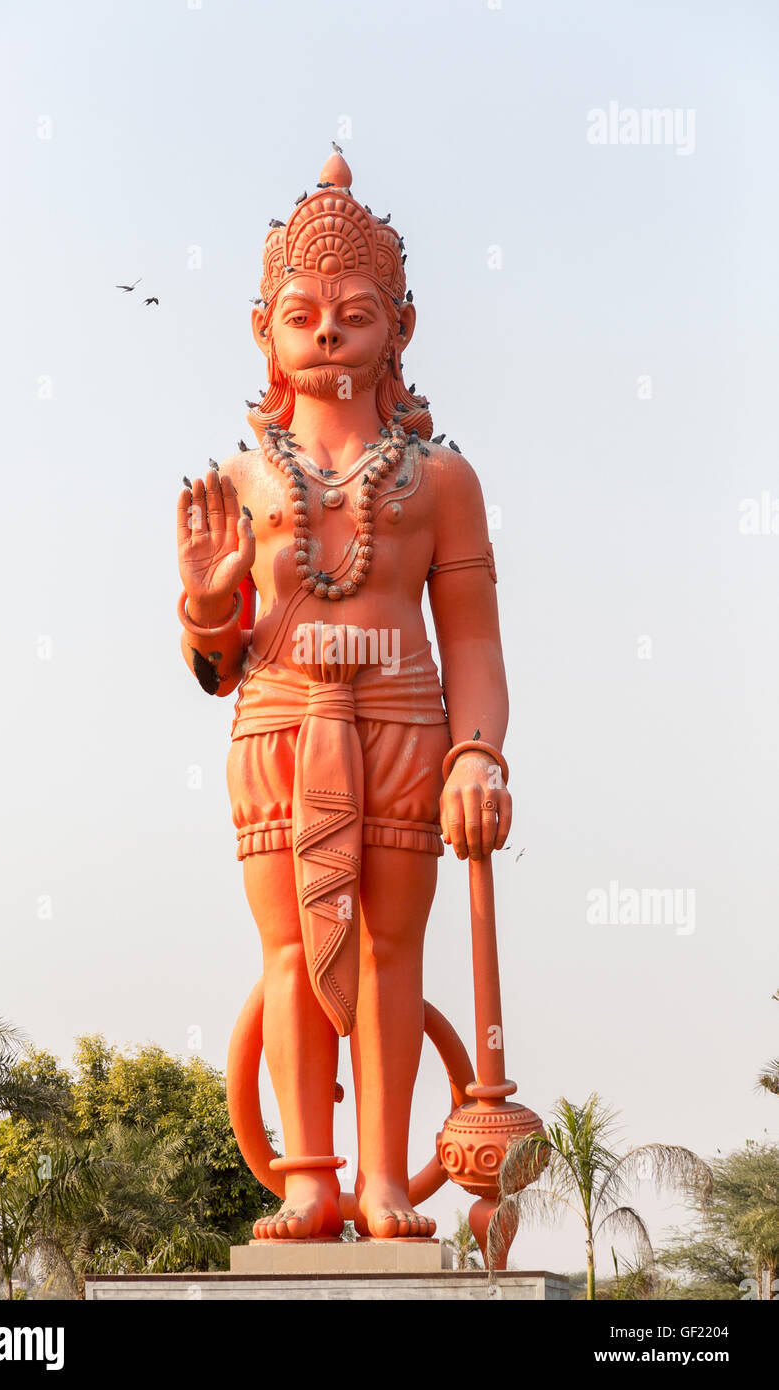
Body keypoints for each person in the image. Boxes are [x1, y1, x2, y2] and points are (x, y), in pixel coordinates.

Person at [177, 152, 511, 1241]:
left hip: (406, 727)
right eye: (302, 312)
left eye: (354, 312)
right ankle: (306, 1177)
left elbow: (468, 638)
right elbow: (215, 667)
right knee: (285, 950)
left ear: (399, 325)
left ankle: (380, 1178)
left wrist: (476, 753)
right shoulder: (235, 485)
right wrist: (204, 610)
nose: (326, 331)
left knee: (387, 953)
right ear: (261, 328)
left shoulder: (441, 482)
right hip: (276, 722)